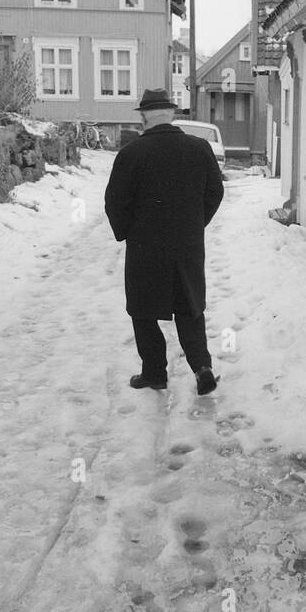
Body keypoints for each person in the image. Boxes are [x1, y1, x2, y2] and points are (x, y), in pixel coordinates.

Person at [104, 89, 224, 394]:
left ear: (144, 116)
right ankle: (203, 368)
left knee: (143, 311)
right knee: (190, 307)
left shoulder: (131, 154)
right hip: (188, 246)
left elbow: (115, 202)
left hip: (145, 247)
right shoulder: (200, 149)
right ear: (171, 114)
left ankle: (155, 373)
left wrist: (128, 230)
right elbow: (215, 192)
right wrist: (197, 223)